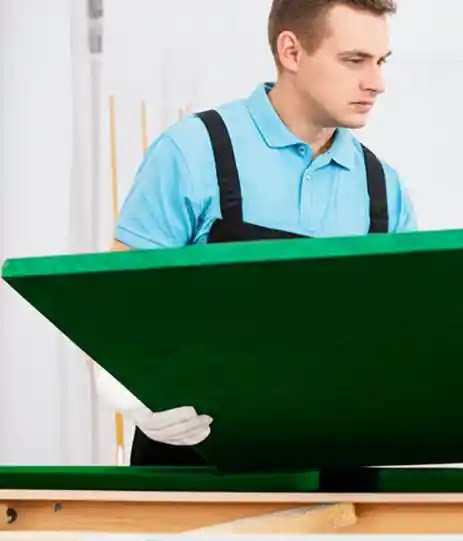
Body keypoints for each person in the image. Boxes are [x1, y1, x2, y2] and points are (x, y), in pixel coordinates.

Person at [94, 0, 417, 467]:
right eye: (354, 60)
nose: (376, 83)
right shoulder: (194, 151)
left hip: (336, 474)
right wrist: (133, 397)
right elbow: (110, 304)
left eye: (380, 62)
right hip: (194, 467)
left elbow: (399, 340)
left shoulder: (383, 190)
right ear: (291, 51)